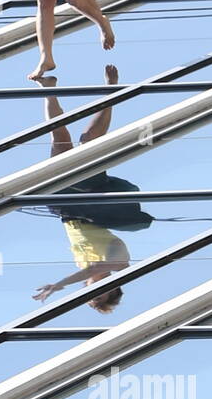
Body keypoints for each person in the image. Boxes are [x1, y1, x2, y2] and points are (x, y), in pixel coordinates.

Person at [31, 66, 148, 314]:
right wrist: (60, 285)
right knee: (89, 140)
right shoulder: (120, 262)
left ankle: (49, 88)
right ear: (114, 286)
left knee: (59, 138)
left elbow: (88, 270)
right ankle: (111, 89)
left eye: (91, 295)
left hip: (68, 204)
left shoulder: (82, 262)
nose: (95, 288)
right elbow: (94, 270)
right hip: (89, 195)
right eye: (101, 292)